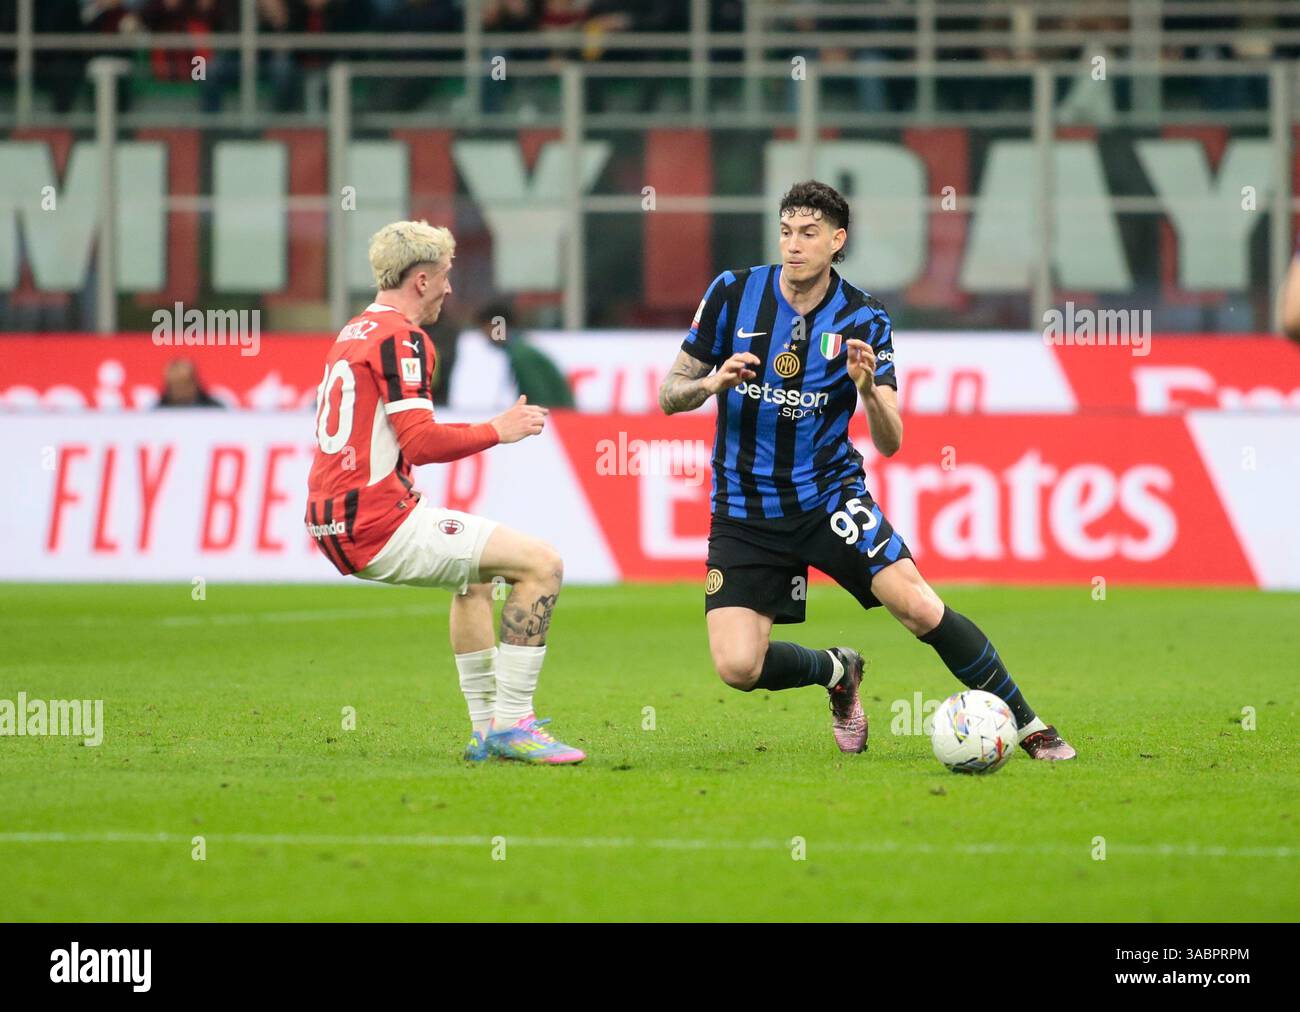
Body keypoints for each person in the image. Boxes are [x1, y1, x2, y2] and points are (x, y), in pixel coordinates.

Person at [657, 180, 1075, 760]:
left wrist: (868, 392)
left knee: (918, 605)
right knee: (737, 667)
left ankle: (1030, 727)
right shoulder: (732, 293)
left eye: (808, 233)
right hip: (745, 507)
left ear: (837, 240)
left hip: (828, 498)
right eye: (786, 232)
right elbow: (669, 394)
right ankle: (837, 672)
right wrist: (709, 383)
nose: (794, 245)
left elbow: (892, 440)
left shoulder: (865, 318)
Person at [304, 220, 585, 764]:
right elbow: (423, 441)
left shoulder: (355, 330)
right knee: (542, 565)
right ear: (422, 279)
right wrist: (497, 431)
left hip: (331, 517)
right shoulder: (402, 337)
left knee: (474, 580)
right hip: (375, 520)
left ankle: (487, 732)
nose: (451, 290)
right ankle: (514, 723)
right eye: (447, 277)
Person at [477, 300, 576, 409]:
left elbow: (538, 397)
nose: (484, 336)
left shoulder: (521, 355)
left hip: (558, 417)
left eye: (485, 329)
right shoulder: (520, 350)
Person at [155, 358, 223, 407]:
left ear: (195, 383)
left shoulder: (214, 409)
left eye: (184, 383)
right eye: (176, 386)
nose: (180, 390)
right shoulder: (156, 413)